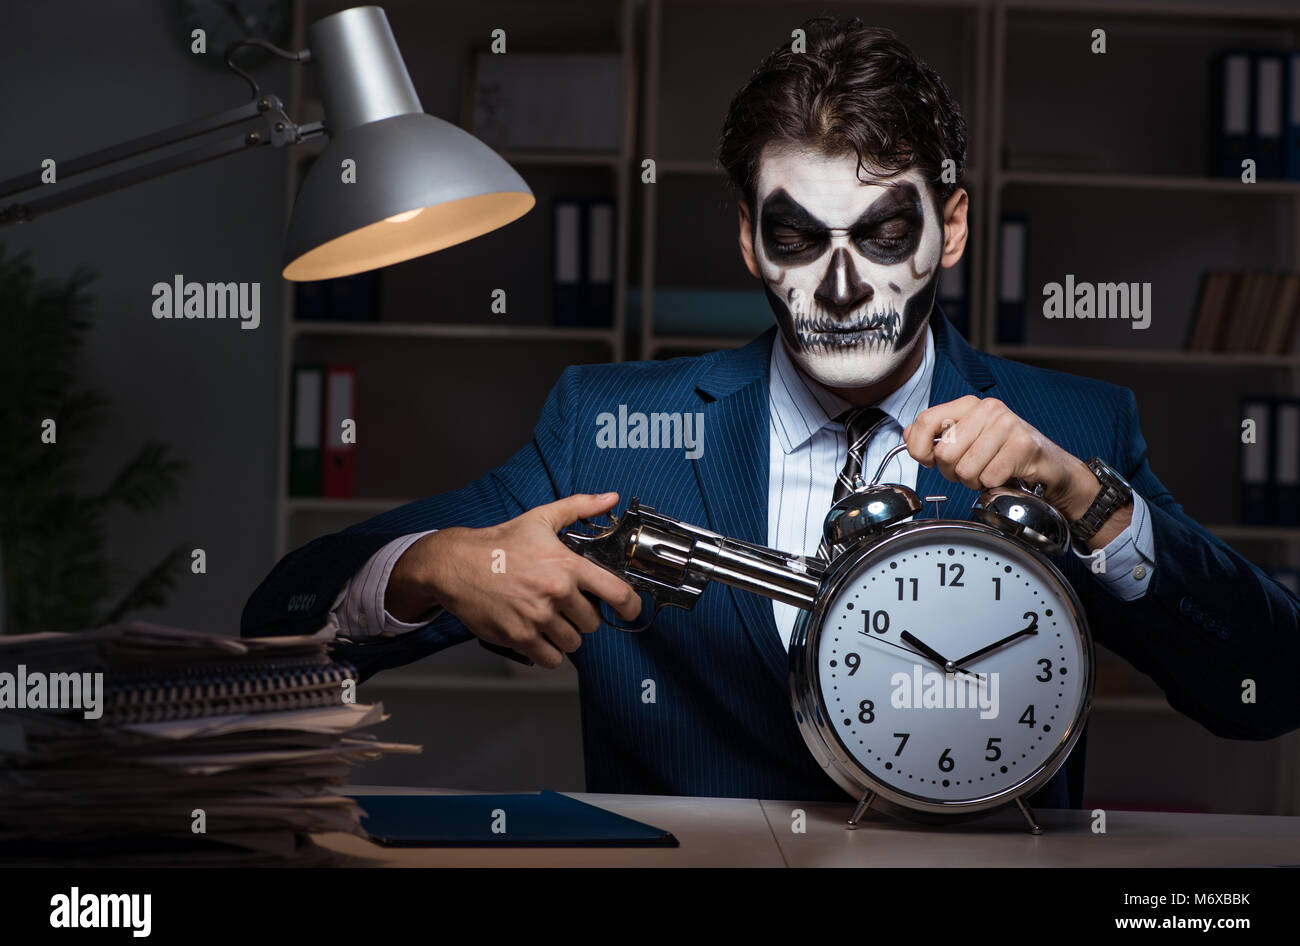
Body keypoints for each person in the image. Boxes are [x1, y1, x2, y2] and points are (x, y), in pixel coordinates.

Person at [243, 18, 1300, 809]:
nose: (841, 287)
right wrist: (438, 567)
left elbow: (1265, 689)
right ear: (748, 241)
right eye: (798, 238)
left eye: (885, 233)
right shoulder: (606, 427)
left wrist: (1096, 510)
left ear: (955, 228)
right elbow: (279, 624)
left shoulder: (1080, 430)